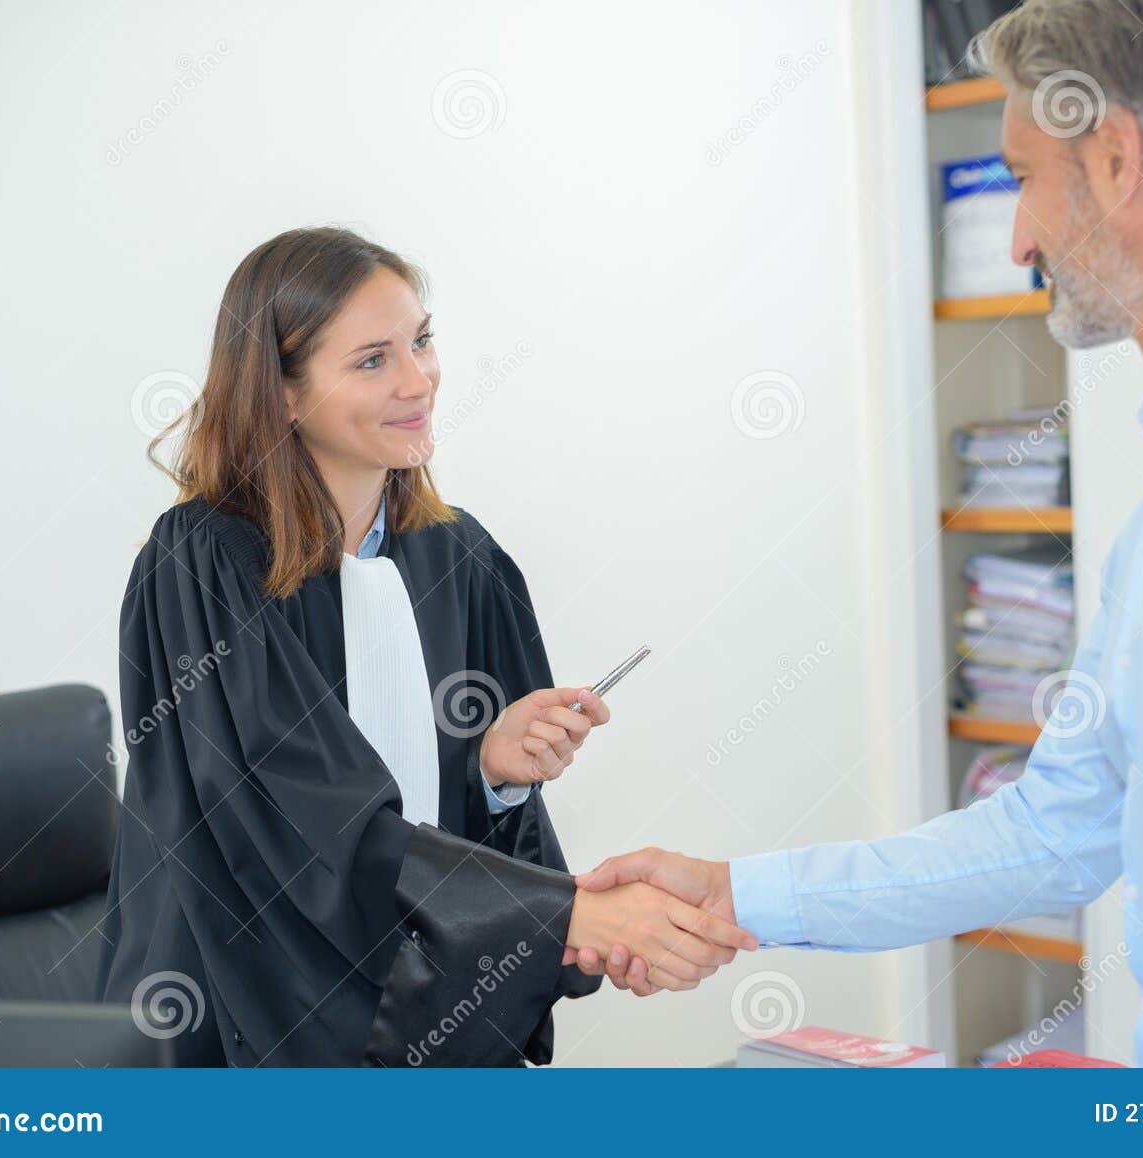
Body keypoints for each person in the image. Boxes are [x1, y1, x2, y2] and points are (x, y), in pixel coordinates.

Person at [573, 0, 1143, 1066]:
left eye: (1020, 175)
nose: (1018, 237)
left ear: (1115, 158)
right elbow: (1052, 830)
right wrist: (738, 892)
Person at [98, 227, 754, 1066]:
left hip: (418, 1008)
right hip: (247, 1017)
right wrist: (566, 916)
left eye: (422, 340)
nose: (419, 381)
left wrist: (491, 775)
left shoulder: (459, 559)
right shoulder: (207, 564)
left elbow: (459, 826)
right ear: (283, 394)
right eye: (372, 360)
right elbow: (294, 822)